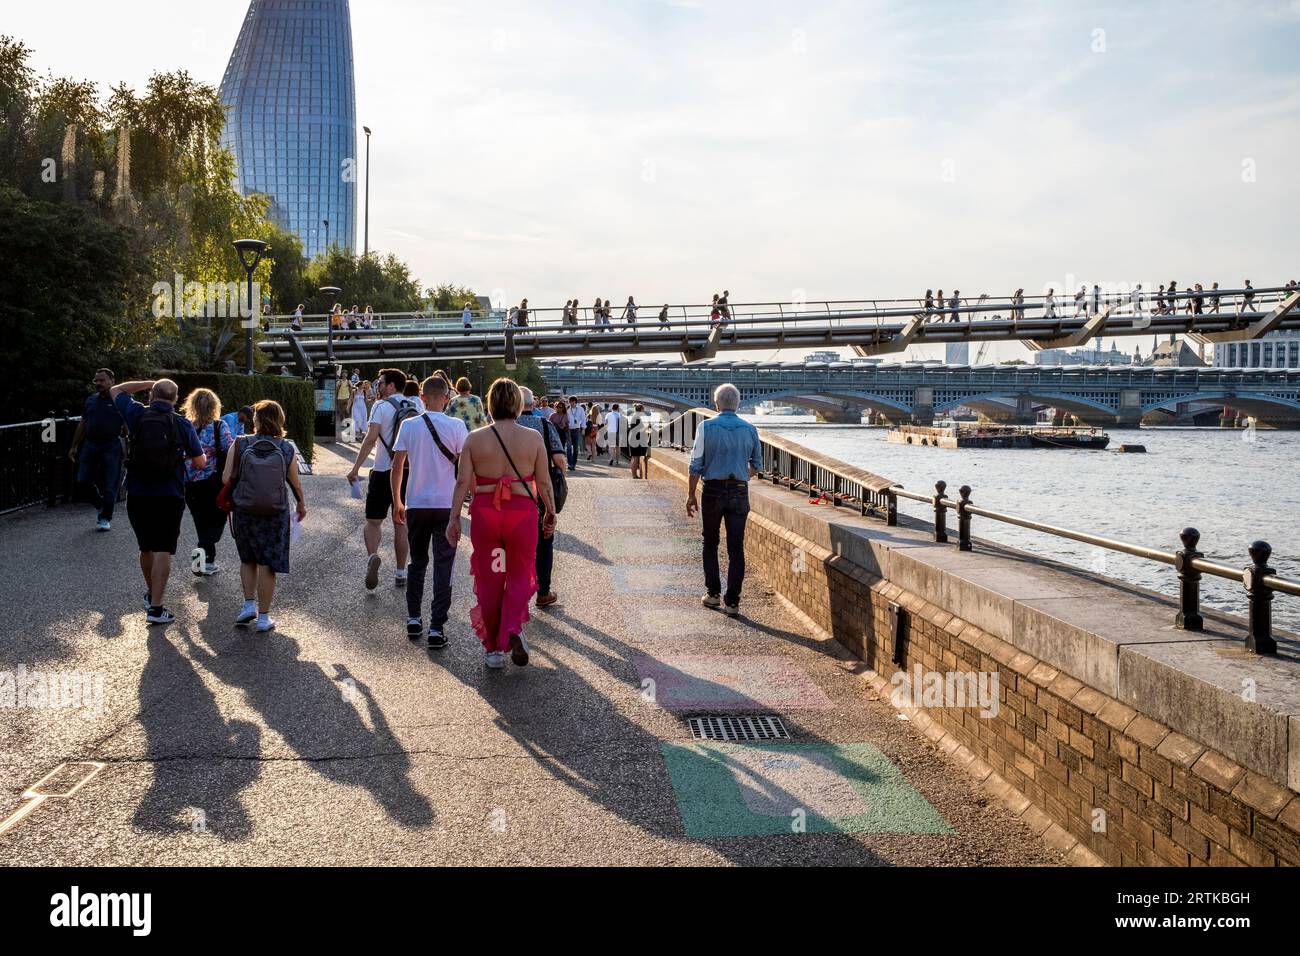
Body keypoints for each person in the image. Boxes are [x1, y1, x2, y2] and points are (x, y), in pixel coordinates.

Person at [446, 378, 557, 669]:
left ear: (490, 404)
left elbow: (461, 482)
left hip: (486, 514)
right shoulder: (533, 439)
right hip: (521, 513)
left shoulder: (474, 439)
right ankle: (513, 628)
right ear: (518, 405)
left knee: (492, 577)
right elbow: (544, 483)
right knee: (519, 573)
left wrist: (453, 517)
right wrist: (550, 511)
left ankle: (494, 650)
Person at [110, 378, 206, 625]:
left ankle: (152, 593)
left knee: (145, 547)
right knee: (164, 548)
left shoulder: (136, 414)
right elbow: (199, 462)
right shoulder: (182, 424)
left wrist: (147, 383)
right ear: (175, 400)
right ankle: (156, 608)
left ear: (151, 396)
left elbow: (115, 390)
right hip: (169, 493)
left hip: (138, 491)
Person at [392, 375, 468, 647]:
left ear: (422, 396)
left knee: (417, 562)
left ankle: (414, 618)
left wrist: (398, 501)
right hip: (446, 505)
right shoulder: (457, 426)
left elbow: (398, 466)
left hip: (417, 503)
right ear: (447, 398)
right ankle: (437, 627)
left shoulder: (409, 425)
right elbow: (465, 470)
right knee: (443, 566)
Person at [223, 400, 306, 634]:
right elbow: (294, 482)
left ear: (256, 419)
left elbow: (226, 478)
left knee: (247, 559)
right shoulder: (287, 447)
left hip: (244, 510)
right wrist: (301, 504)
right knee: (267, 563)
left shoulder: (240, 444)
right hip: (275, 512)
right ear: (280, 419)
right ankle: (264, 618)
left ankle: (248, 605)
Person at [686, 384, 762, 617]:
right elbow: (757, 466)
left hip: (713, 490)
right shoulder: (750, 429)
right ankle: (733, 602)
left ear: (716, 404)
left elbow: (695, 464)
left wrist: (690, 495)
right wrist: (740, 474)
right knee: (736, 547)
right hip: (739, 490)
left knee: (710, 542)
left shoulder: (706, 426)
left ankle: (713, 594)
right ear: (737, 404)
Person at [347, 369, 418, 594]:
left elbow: (370, 439)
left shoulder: (380, 406)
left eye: (381, 383)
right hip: (406, 472)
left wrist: (355, 468)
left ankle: (373, 556)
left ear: (391, 386)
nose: (378, 386)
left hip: (381, 471)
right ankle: (400, 572)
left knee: (373, 521)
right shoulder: (416, 406)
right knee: (401, 522)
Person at [517, 387, 567, 608]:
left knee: (514, 544)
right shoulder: (545, 427)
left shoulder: (505, 427)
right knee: (544, 541)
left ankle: (515, 593)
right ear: (533, 405)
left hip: (511, 492)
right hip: (539, 491)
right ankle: (543, 592)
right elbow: (559, 461)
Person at [181, 387, 234, 576]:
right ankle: (202, 557)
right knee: (217, 521)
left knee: (201, 521)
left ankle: (208, 562)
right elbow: (231, 450)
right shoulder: (220, 426)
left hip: (189, 483)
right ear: (214, 406)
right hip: (214, 483)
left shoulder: (184, 426)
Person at [69, 368, 126, 531]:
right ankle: (100, 504)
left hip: (111, 446)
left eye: (102, 380)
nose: (98, 383)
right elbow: (83, 422)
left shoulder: (120, 401)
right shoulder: (90, 400)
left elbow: (127, 425)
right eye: (96, 380)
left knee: (110, 485)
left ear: (112, 381)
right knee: (82, 480)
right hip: (90, 444)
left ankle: (105, 517)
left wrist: (128, 445)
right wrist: (73, 445)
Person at [627, 403, 651, 479]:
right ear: (641, 410)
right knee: (636, 457)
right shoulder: (637, 417)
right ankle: (634, 476)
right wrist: (647, 426)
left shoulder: (634, 416)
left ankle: (634, 475)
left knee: (634, 458)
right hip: (636, 440)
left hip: (633, 438)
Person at [565, 396, 586, 471]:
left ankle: (574, 463)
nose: (571, 403)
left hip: (577, 429)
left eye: (572, 401)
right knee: (569, 448)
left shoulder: (580, 409)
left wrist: (583, 429)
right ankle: (570, 463)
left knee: (576, 449)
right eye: (570, 401)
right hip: (569, 430)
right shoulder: (567, 409)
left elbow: (583, 419)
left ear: (575, 402)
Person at [604, 403, 624, 467]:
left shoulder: (608, 414)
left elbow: (605, 423)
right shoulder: (620, 415)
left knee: (611, 447)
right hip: (618, 432)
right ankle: (617, 460)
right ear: (618, 408)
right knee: (618, 447)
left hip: (610, 432)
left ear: (612, 408)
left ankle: (611, 458)